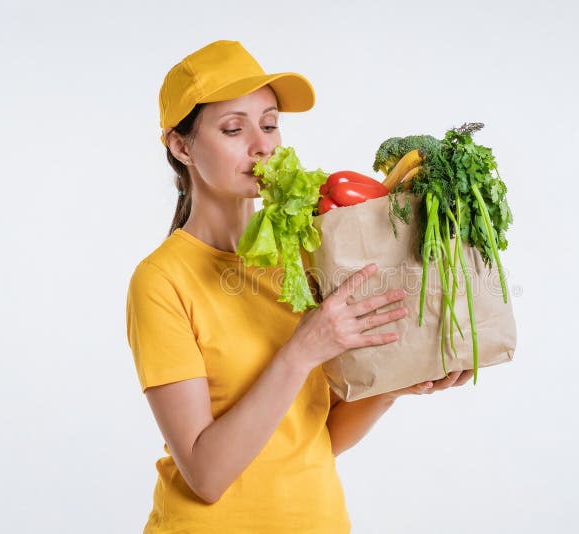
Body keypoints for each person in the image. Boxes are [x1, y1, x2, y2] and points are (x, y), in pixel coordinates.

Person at [125, 39, 474, 533]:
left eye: (269, 124)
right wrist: (303, 350)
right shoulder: (160, 282)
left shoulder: (303, 255)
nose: (262, 144)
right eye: (233, 128)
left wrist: (398, 385)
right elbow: (205, 474)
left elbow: (321, 434)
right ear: (181, 146)